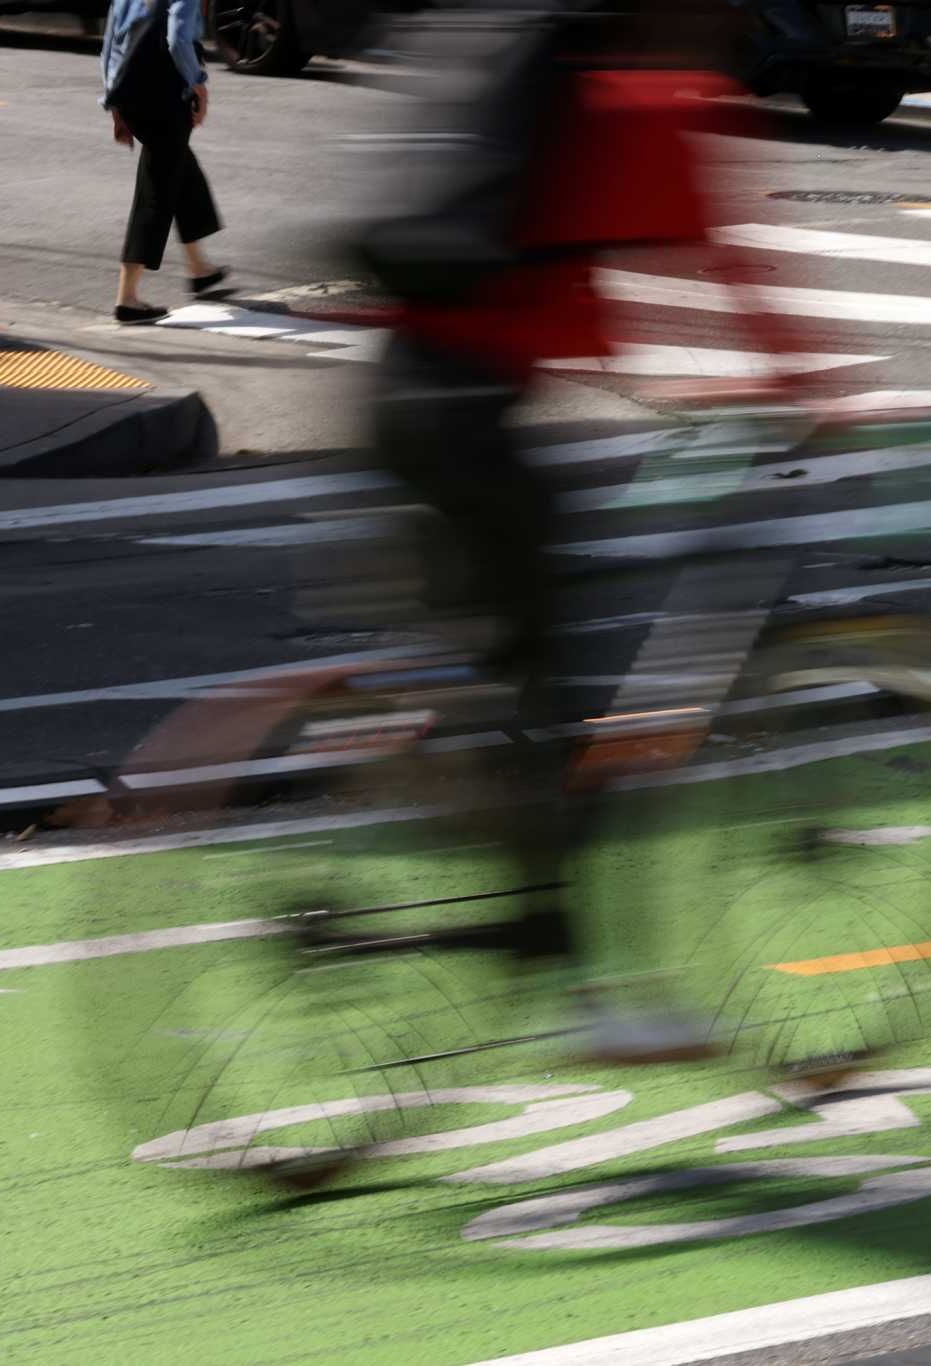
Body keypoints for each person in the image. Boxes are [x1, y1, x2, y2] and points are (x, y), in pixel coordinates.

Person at [365, 1, 821, 1061]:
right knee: (561, 708)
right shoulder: (655, 105)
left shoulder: (543, 100)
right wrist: (809, 387)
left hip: (395, 398)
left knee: (489, 655)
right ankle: (580, 987)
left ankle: (409, 747)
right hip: (473, 422)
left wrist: (661, 376)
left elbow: (573, 289)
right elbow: (730, 271)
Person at [100, 0, 229, 323]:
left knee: (180, 170)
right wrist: (198, 83)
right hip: (166, 98)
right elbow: (178, 38)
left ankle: (199, 268)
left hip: (130, 95)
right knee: (155, 191)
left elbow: (109, 44)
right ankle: (127, 299)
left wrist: (114, 104)